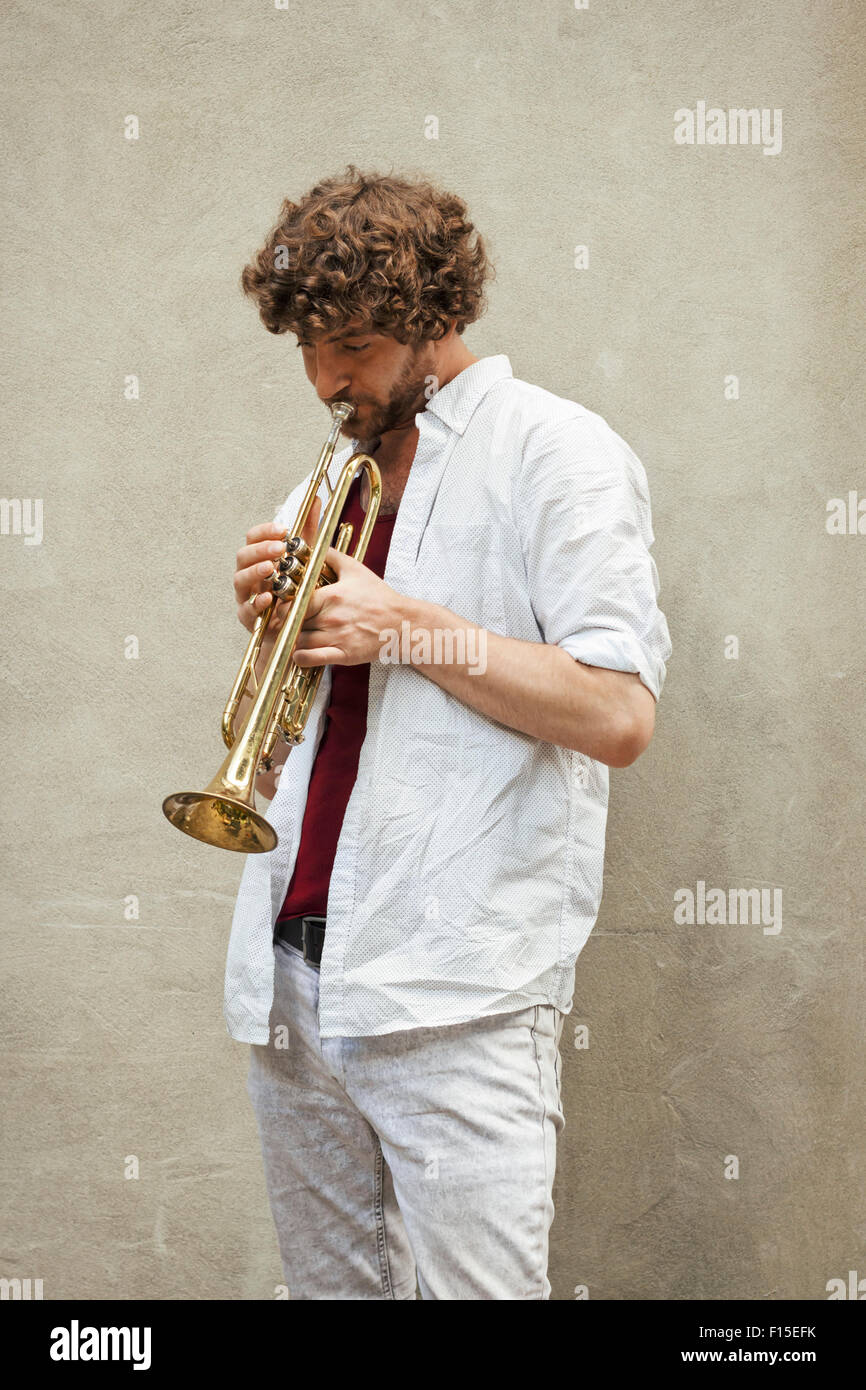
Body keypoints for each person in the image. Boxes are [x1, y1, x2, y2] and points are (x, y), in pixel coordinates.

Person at [224, 165, 672, 1300]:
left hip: (455, 991)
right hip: (291, 973)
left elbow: (617, 712)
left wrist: (409, 626)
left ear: (439, 318)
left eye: (360, 345)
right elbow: (315, 740)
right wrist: (268, 636)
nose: (331, 378)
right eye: (310, 349)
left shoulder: (555, 453)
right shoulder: (327, 474)